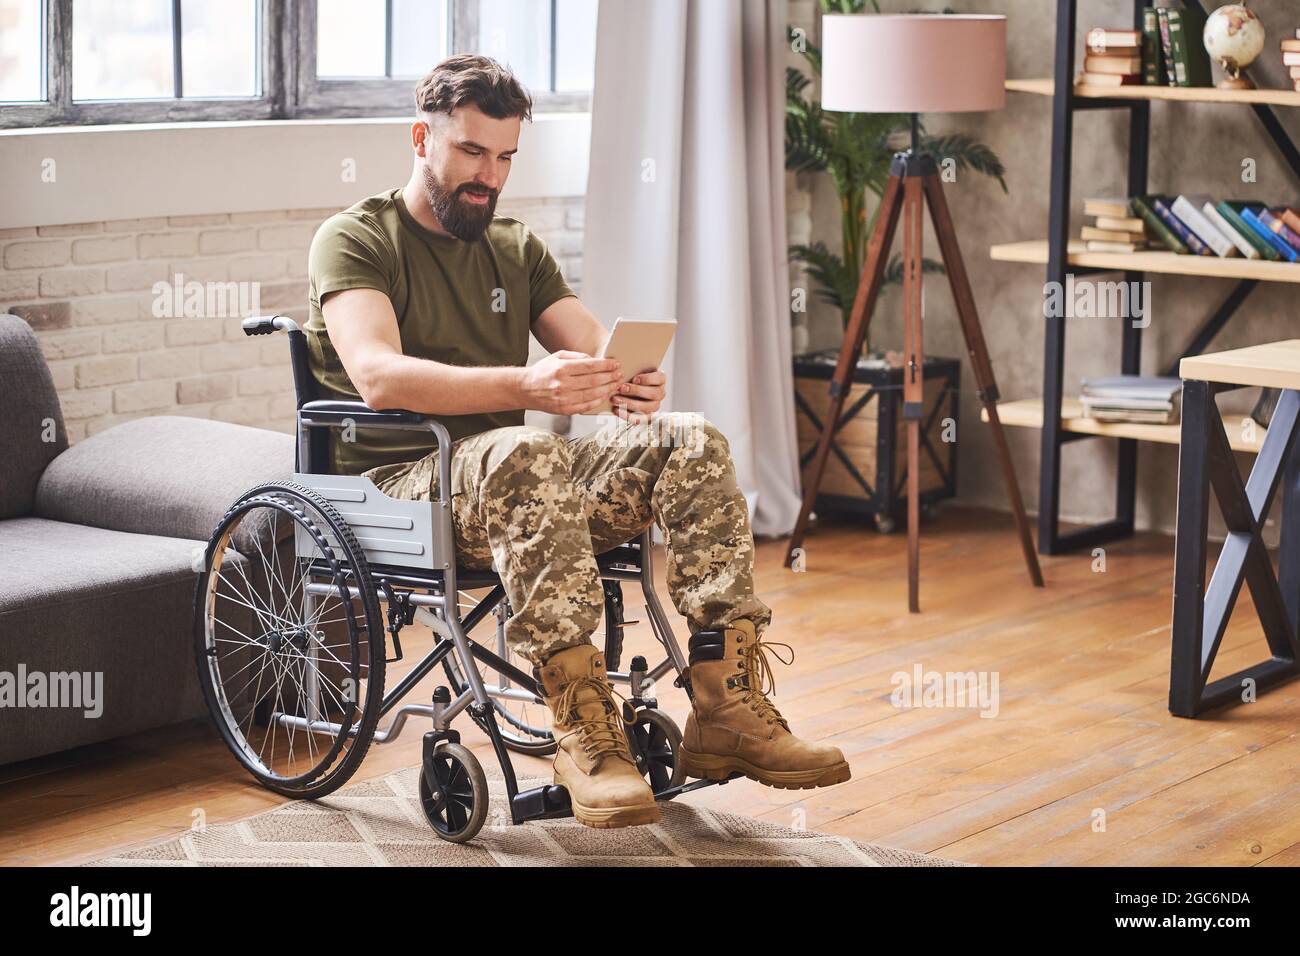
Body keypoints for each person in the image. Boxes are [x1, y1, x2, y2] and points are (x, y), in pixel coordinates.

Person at [306, 54, 849, 829]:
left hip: (514, 487)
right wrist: (527, 388)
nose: (486, 176)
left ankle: (726, 705)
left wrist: (631, 383)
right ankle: (579, 725)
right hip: (397, 487)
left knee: (687, 438)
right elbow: (379, 378)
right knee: (521, 448)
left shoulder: (516, 247)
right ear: (422, 138)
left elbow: (595, 350)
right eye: (469, 152)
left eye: (503, 158)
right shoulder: (357, 238)